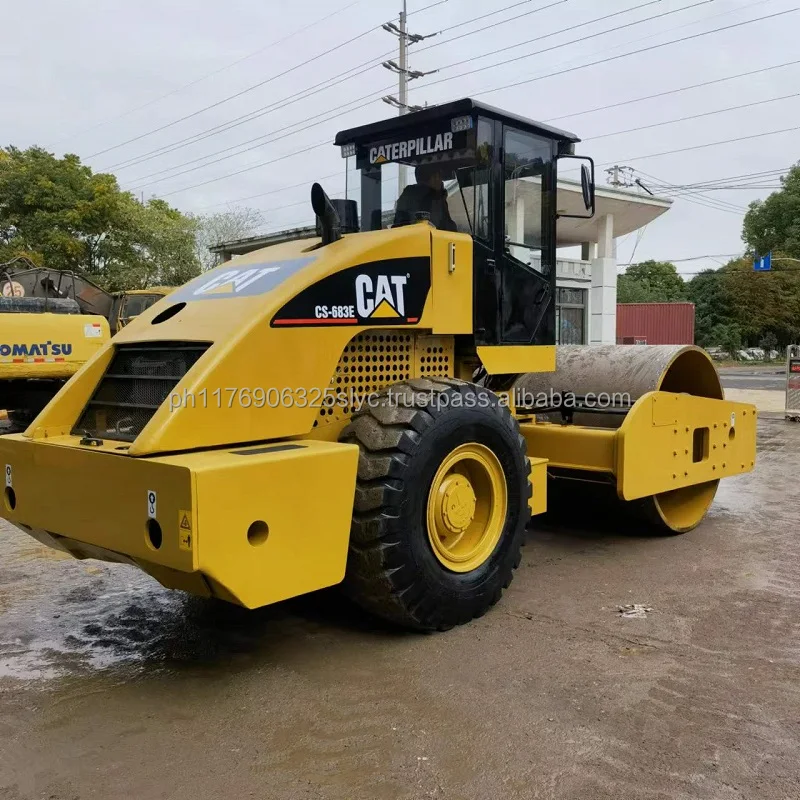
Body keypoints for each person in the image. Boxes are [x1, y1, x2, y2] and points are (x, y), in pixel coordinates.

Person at [393, 163, 458, 232]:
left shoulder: (439, 197)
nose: (439, 180)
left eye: (439, 176)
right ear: (425, 180)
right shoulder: (428, 199)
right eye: (436, 176)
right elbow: (441, 225)